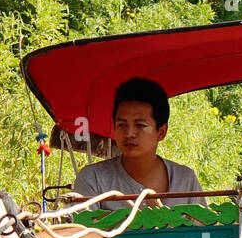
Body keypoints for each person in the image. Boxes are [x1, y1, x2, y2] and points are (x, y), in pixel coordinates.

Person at [72, 77, 203, 210]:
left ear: (161, 132)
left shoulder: (186, 180)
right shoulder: (93, 178)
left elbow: (204, 230)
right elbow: (80, 230)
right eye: (122, 124)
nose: (129, 133)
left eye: (140, 125)